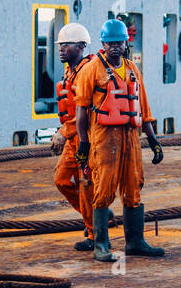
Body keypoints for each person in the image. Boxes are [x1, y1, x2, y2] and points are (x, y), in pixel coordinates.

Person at [74, 18, 165, 261]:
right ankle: (101, 245)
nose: (115, 47)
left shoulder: (133, 70)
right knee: (103, 187)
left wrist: (154, 140)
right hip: (104, 138)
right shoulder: (91, 70)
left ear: (126, 43)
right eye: (110, 43)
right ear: (103, 43)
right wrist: (84, 143)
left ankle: (135, 242)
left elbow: (143, 108)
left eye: (119, 42)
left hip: (131, 138)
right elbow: (81, 111)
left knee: (134, 186)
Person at [50, 22, 96, 249]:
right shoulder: (71, 70)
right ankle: (97, 216)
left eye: (66, 45)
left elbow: (85, 112)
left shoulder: (87, 73)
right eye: (60, 45)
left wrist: (62, 132)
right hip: (72, 139)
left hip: (85, 139)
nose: (60, 49)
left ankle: (95, 234)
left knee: (86, 185)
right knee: (61, 180)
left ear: (80, 46)